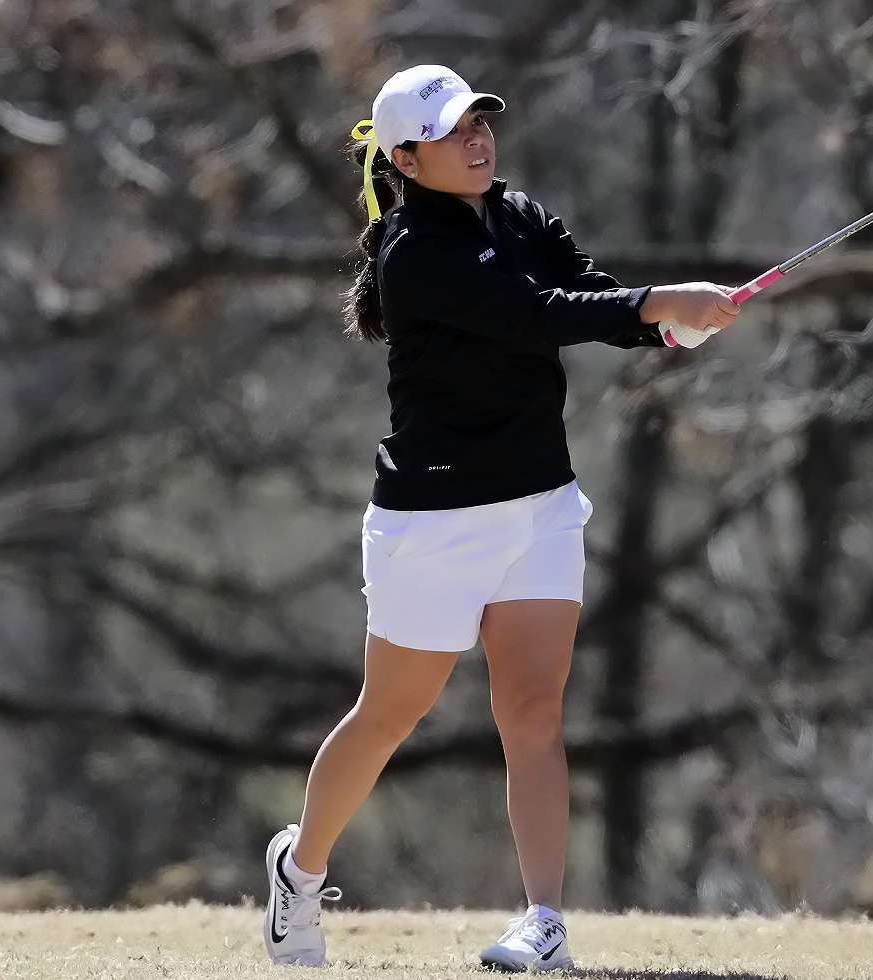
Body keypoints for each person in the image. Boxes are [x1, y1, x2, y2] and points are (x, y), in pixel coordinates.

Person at [262, 64, 740, 972]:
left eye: (481, 121)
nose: (477, 138)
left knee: (533, 711)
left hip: (540, 505)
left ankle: (543, 920)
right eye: (453, 131)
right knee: (389, 715)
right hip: (435, 519)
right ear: (405, 158)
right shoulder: (413, 252)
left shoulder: (518, 213)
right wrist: (654, 306)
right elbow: (532, 315)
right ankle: (301, 866)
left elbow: (583, 289)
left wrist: (668, 324)